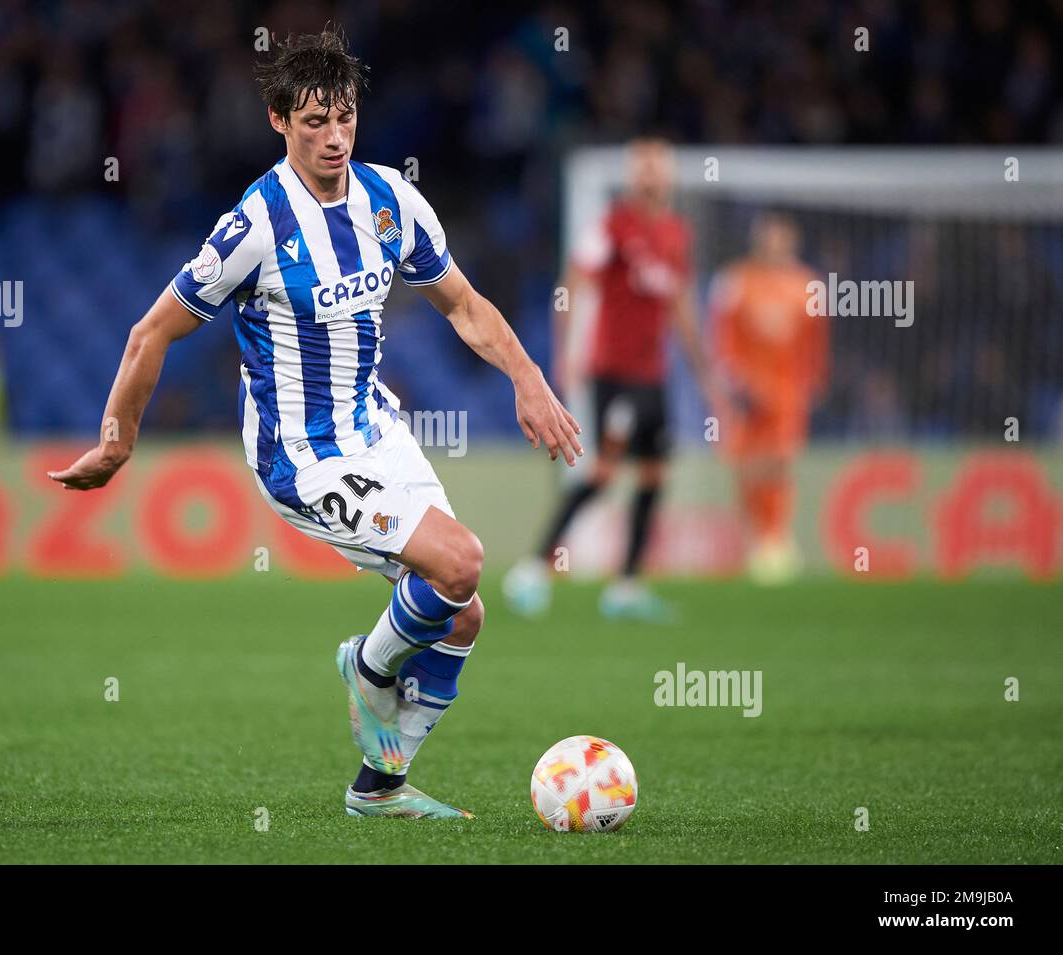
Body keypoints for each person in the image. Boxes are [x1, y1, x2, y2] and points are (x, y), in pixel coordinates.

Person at [47, 28, 581, 819]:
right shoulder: (255, 224)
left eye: (345, 119)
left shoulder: (390, 200)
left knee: (463, 609)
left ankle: (379, 788)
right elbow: (149, 333)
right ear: (277, 121)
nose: (334, 138)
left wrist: (529, 378)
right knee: (460, 562)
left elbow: (464, 304)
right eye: (313, 123)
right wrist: (117, 441)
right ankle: (366, 667)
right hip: (302, 457)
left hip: (378, 430)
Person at [503, 138, 717, 621]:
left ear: (670, 178)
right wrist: (566, 352)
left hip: (653, 375)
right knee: (602, 473)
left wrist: (704, 370)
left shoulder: (676, 234)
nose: (650, 178)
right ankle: (534, 567)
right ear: (630, 176)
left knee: (654, 474)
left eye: (658, 169)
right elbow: (574, 283)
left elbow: (681, 304)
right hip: (613, 372)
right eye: (642, 169)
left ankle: (627, 585)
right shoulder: (612, 226)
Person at [710, 212, 827, 583]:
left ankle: (775, 540)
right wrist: (733, 381)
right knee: (747, 464)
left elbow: (815, 344)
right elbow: (722, 338)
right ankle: (755, 539)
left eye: (781, 239)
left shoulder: (808, 286)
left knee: (779, 462)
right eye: (768, 238)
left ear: (792, 242)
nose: (774, 245)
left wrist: (813, 381)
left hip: (787, 391)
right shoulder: (735, 281)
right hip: (747, 392)